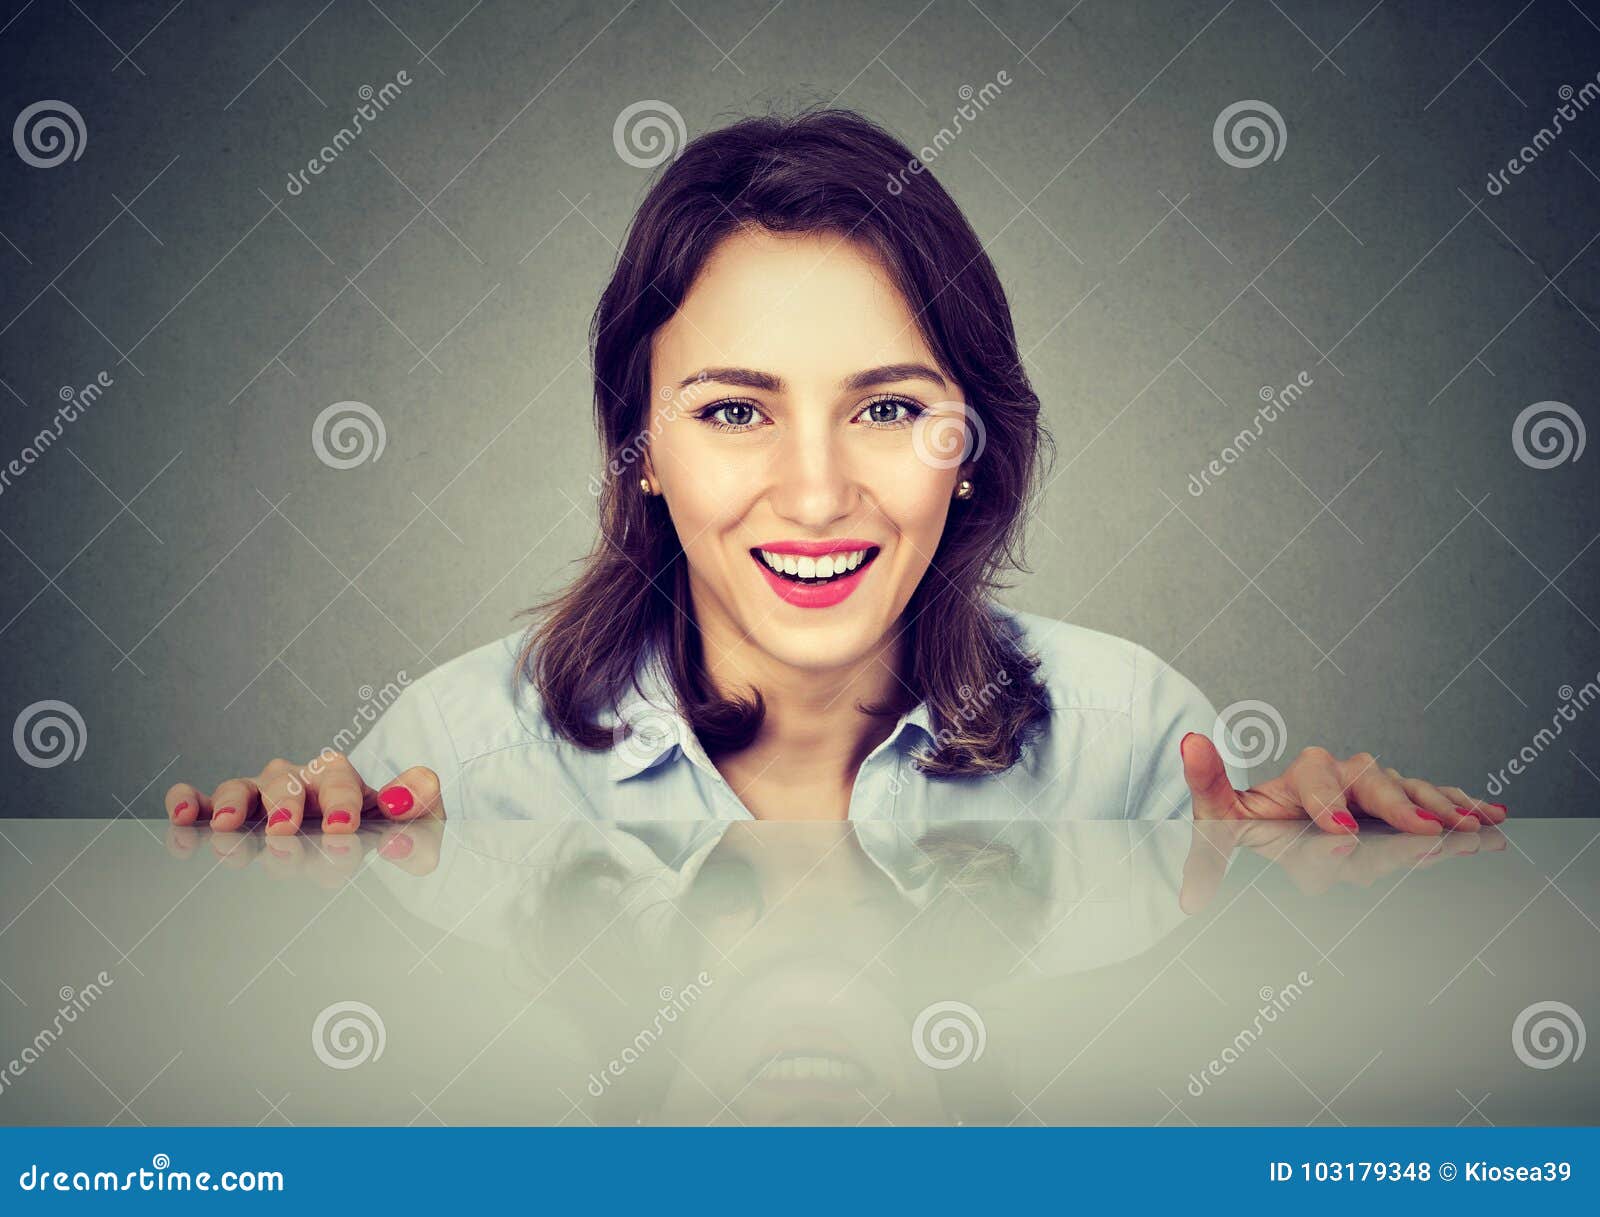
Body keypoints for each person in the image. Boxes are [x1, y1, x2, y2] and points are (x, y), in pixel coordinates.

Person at [162, 107, 1507, 833]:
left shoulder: (1144, 748)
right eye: (734, 411)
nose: (814, 496)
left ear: (971, 447)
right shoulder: (454, 761)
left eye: (889, 407)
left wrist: (1321, 911)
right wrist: (282, 890)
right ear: (642, 451)